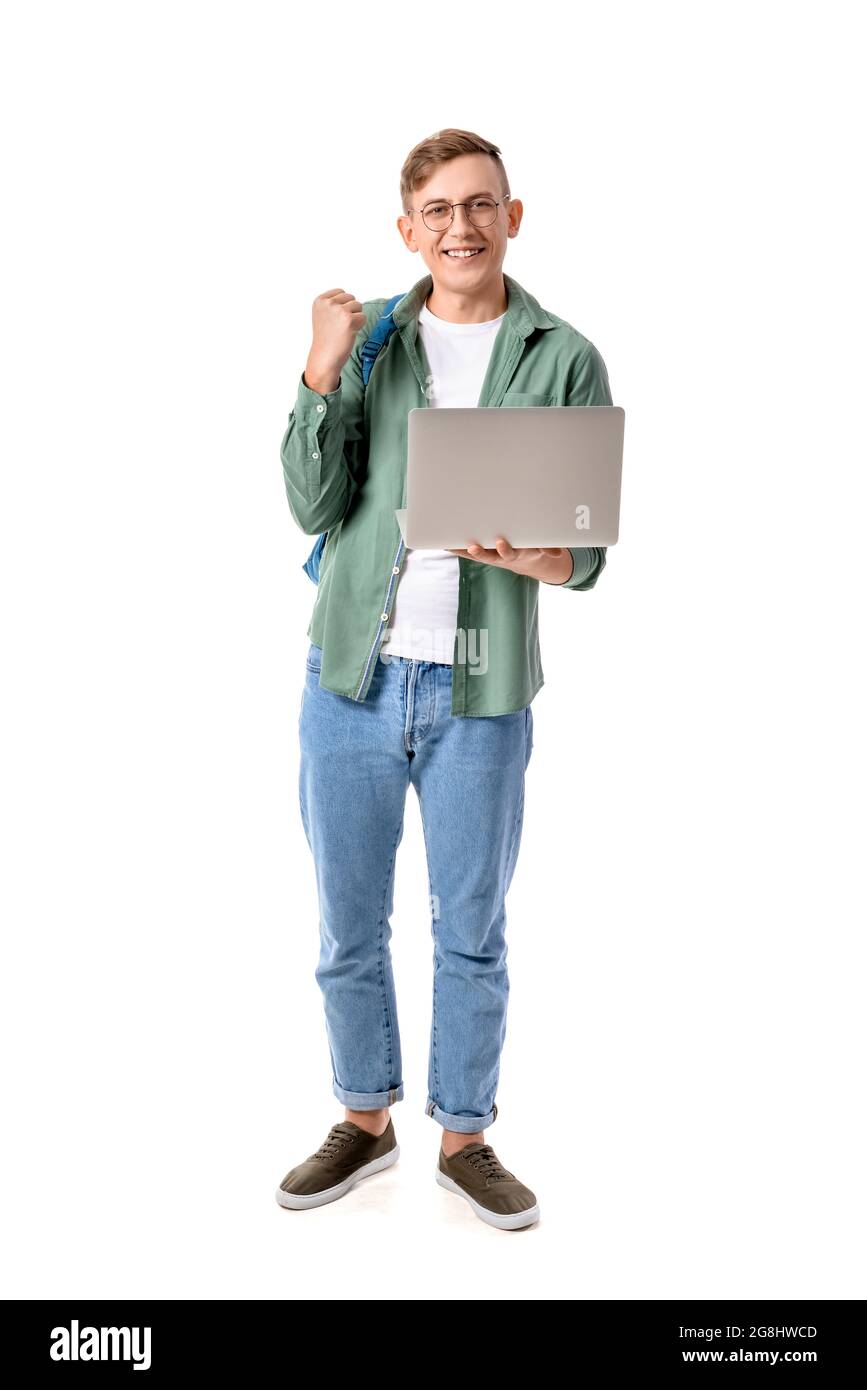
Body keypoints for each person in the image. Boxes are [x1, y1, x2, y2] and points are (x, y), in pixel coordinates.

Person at [275, 128, 614, 1230]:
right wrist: (318, 373)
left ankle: (464, 1135)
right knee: (347, 922)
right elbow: (314, 505)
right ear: (408, 229)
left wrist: (537, 557)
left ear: (513, 217)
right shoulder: (371, 339)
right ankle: (364, 1121)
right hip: (353, 676)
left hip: (481, 685)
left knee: (471, 926)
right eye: (439, 209)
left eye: (482, 205)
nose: (460, 225)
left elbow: (587, 550)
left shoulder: (564, 353)